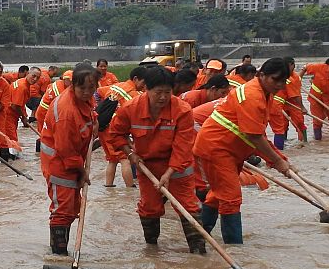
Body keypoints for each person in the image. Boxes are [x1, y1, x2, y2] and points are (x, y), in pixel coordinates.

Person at [102, 67, 204, 253]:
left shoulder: (182, 110)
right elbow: (116, 134)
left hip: (179, 167)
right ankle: (152, 250)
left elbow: (183, 146)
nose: (163, 97)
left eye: (167, 92)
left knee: (188, 206)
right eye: (158, 92)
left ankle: (198, 252)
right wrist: (130, 154)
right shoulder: (130, 109)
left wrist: (170, 171)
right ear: (146, 89)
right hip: (147, 165)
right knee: (150, 208)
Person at [192, 58, 292, 244]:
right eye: (275, 79)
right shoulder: (252, 95)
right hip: (217, 148)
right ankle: (234, 248)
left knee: (217, 194)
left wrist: (278, 157)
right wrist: (277, 162)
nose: (279, 85)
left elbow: (258, 132)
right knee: (230, 198)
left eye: (283, 81)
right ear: (261, 75)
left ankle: (198, 237)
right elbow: (253, 135)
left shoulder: (264, 92)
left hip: (232, 149)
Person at [38, 61, 99, 255]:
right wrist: (82, 172)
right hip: (58, 163)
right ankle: (58, 254)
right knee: (62, 209)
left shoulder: (86, 100)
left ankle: (61, 250)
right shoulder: (66, 111)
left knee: (73, 207)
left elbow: (90, 118)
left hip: (72, 160)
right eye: (83, 88)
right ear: (73, 85)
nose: (88, 92)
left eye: (92, 88)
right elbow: (65, 149)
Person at [102, 67, 148, 188]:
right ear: (136, 79)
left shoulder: (117, 86)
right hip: (114, 130)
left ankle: (108, 187)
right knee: (125, 159)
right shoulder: (132, 95)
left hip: (103, 128)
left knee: (112, 160)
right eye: (143, 83)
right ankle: (130, 190)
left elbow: (98, 92)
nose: (144, 87)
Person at [269, 56, 306, 148]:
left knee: (299, 123)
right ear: (290, 65)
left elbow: (296, 91)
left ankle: (304, 143)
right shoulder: (285, 77)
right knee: (281, 127)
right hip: (279, 103)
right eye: (293, 65)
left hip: (290, 102)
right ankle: (281, 147)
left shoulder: (292, 76)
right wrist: (303, 108)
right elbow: (295, 95)